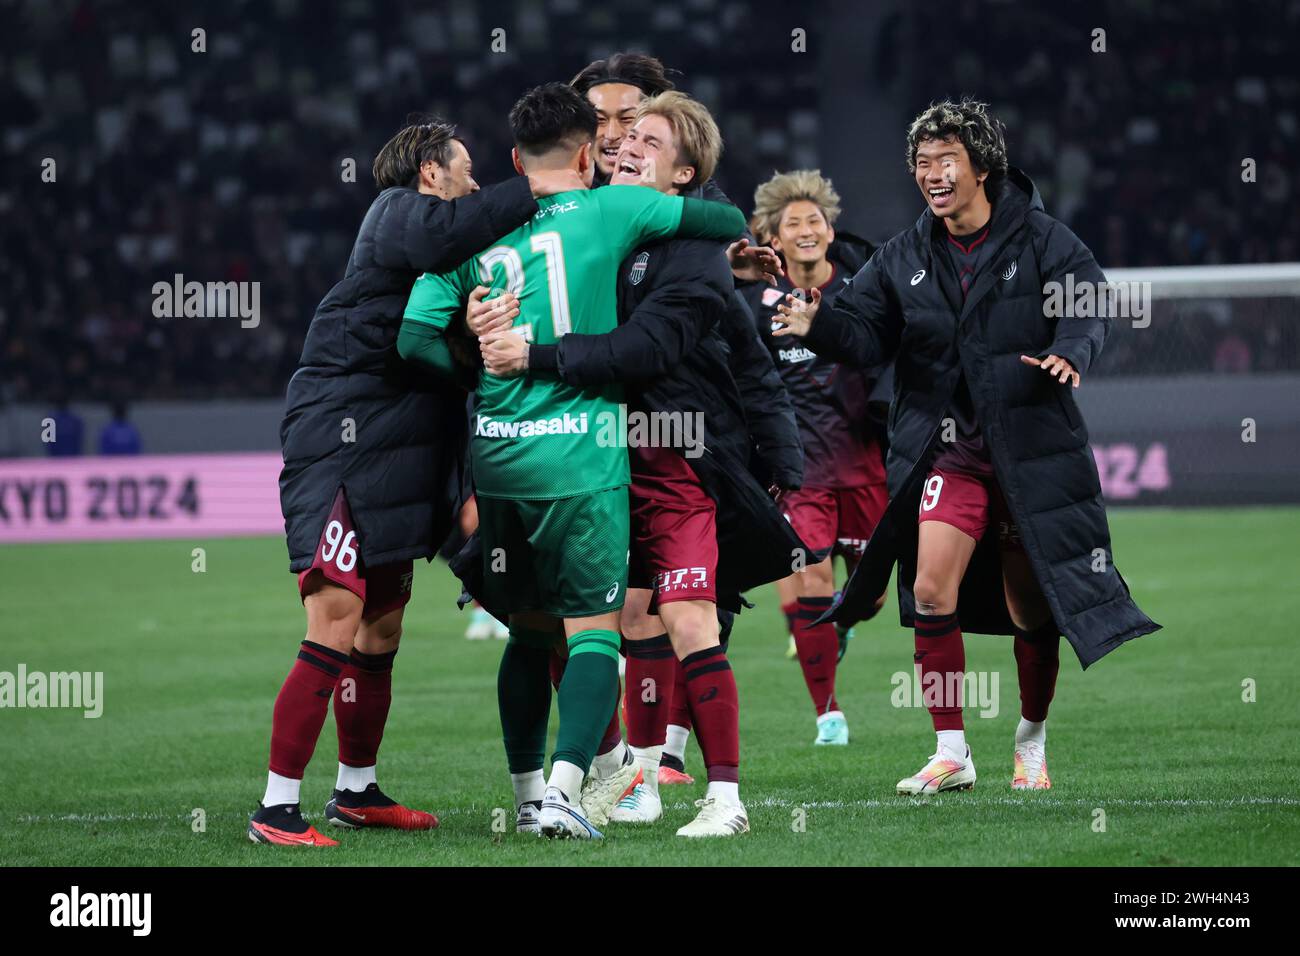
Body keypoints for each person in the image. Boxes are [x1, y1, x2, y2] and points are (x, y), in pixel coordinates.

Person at [773, 98, 1159, 794]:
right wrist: (819, 324)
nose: (932, 174)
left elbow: (1088, 299)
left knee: (1029, 608)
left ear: (981, 164)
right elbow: (863, 332)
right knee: (928, 587)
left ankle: (1030, 741)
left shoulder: (1043, 239)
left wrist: (1071, 348)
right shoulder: (904, 254)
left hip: (1030, 449)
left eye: (945, 159)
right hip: (949, 451)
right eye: (922, 163)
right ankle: (952, 750)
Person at [399, 83, 747, 839]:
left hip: (500, 460)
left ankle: (527, 798)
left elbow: (412, 336)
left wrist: (478, 363)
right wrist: (698, 218)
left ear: (517, 159)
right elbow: (725, 218)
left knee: (528, 632)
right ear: (589, 154)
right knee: (595, 633)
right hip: (582, 457)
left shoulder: (472, 236)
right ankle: (565, 791)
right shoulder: (612, 210)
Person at [476, 92, 809, 836]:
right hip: (589, 456)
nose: (627, 148)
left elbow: (645, 351)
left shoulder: (694, 258)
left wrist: (532, 354)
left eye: (648, 142)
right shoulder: (592, 220)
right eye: (622, 138)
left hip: (675, 460)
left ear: (683, 172)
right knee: (598, 622)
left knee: (690, 620)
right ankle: (624, 775)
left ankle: (725, 799)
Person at [249, 116, 585, 847]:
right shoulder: (399, 211)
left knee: (381, 627)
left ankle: (357, 791)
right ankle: (275, 809)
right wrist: (537, 184)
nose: (471, 186)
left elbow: (433, 349)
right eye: (464, 172)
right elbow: (449, 235)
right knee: (334, 618)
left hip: (403, 452)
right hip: (342, 442)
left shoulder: (431, 256)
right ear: (431, 172)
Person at [745, 170, 888, 746]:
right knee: (809, 581)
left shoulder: (865, 289)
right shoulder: (756, 306)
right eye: (792, 224)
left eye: (814, 221)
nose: (805, 230)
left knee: (870, 596)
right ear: (773, 240)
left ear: (830, 232)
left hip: (864, 466)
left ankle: (842, 623)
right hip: (800, 473)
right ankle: (828, 712)